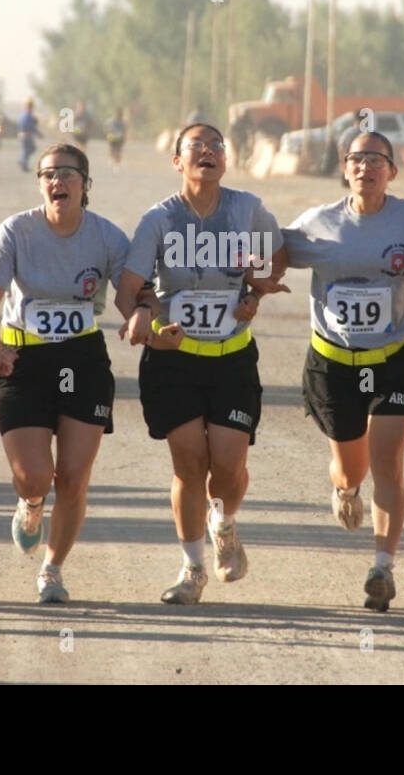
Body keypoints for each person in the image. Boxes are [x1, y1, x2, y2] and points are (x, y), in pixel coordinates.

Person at [271, 131, 404, 610]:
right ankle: (345, 488)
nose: (365, 167)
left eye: (376, 160)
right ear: (345, 169)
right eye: (356, 159)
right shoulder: (317, 224)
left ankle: (382, 567)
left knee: (388, 462)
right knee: (351, 467)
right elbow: (275, 255)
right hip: (333, 361)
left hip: (394, 359)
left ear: (392, 170)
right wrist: (252, 282)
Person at [117, 122, 283, 604]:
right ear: (177, 161)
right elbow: (129, 290)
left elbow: (276, 257)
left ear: (226, 160)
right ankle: (192, 569)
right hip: (174, 360)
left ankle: (224, 523)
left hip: (232, 357)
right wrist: (140, 323)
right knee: (190, 465)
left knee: (228, 466)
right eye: (196, 147)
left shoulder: (246, 209)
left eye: (216, 147)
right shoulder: (159, 220)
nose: (207, 153)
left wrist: (255, 291)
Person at [0, 143, 129, 603]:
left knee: (74, 478)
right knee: (33, 476)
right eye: (48, 175)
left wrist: (146, 315)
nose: (57, 181)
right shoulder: (16, 231)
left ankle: (52, 570)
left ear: (85, 184)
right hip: (23, 360)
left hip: (82, 358)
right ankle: (31, 503)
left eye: (68, 173)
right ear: (40, 183)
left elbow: (132, 294)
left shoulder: (107, 236)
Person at [17, 98, 41, 173]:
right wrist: (38, 133)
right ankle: (23, 163)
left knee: (27, 149)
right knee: (28, 149)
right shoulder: (27, 116)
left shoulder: (23, 115)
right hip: (26, 135)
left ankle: (22, 162)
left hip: (22, 134)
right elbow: (32, 126)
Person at [105, 107, 127, 171]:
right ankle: (112, 159)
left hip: (120, 139)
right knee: (112, 151)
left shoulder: (123, 122)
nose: (118, 115)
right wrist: (108, 134)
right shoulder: (110, 121)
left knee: (118, 152)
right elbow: (106, 129)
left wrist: (124, 138)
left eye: (119, 114)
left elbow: (125, 130)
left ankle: (117, 164)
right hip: (112, 138)